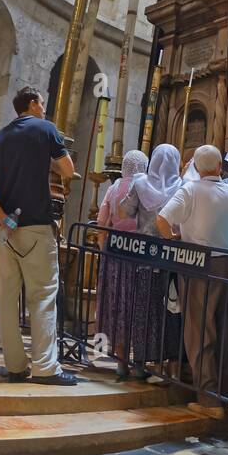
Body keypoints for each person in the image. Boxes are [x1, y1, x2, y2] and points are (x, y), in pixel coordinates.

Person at [0, 86, 77, 386]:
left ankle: (15, 366)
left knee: (7, 299)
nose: (44, 109)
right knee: (43, 297)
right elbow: (69, 170)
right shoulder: (46, 129)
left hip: (6, 230)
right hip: (37, 227)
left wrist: (2, 215)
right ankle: (46, 367)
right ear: (32, 104)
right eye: (43, 103)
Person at [157, 144, 228, 419]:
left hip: (196, 263)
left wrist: (174, 242)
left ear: (195, 167)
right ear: (220, 165)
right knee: (225, 329)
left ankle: (208, 399)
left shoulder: (190, 189)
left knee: (199, 331)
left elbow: (162, 219)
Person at [124, 143, 185, 379]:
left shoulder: (140, 183)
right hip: (172, 260)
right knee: (170, 312)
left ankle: (141, 362)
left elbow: (124, 212)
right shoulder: (181, 186)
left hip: (145, 257)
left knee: (144, 310)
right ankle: (168, 367)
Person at [95, 150, 149, 381]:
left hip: (115, 253)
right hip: (140, 254)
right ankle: (139, 363)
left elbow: (101, 223)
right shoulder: (146, 185)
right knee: (137, 306)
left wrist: (104, 249)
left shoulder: (114, 187)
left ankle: (120, 361)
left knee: (117, 304)